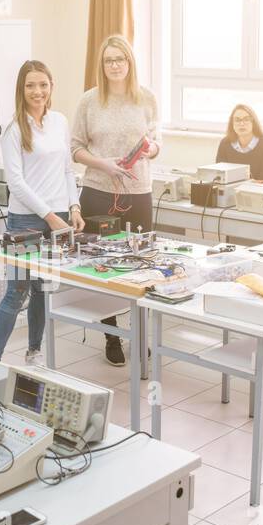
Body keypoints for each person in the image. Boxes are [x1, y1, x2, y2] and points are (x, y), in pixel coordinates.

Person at [70, 34, 160, 366]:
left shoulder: (147, 99)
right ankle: (111, 336)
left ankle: (139, 335)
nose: (115, 65)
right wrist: (102, 163)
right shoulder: (89, 101)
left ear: (130, 62)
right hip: (97, 191)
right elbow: (76, 148)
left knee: (140, 265)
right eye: (108, 60)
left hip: (137, 193)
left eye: (120, 59)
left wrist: (151, 150)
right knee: (103, 266)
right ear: (102, 65)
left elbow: (157, 142)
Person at [0, 60, 83, 364]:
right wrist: (49, 216)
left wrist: (74, 205)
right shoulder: (14, 129)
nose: (37, 91)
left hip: (58, 216)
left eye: (43, 84)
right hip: (26, 221)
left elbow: (68, 169)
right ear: (21, 88)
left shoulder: (59, 121)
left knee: (43, 290)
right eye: (30, 85)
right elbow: (15, 183)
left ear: (51, 86)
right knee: (16, 293)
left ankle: (34, 352)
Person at [215, 104, 263, 182]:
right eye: (237, 120)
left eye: (246, 119)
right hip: (229, 191)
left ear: (253, 122)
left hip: (254, 191)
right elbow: (220, 174)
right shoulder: (225, 143)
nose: (241, 124)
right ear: (232, 123)